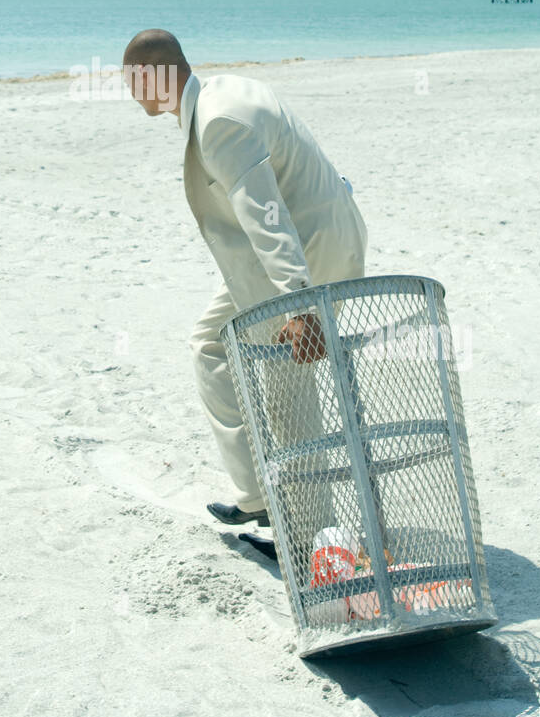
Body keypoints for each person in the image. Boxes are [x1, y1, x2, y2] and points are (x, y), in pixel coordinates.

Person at [122, 28, 367, 530]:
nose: (128, 94)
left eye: (131, 82)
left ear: (152, 77)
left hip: (303, 256)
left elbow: (267, 216)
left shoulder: (217, 122)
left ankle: (310, 536)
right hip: (304, 240)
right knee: (210, 343)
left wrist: (300, 306)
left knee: (287, 389)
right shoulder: (223, 92)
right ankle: (257, 496)